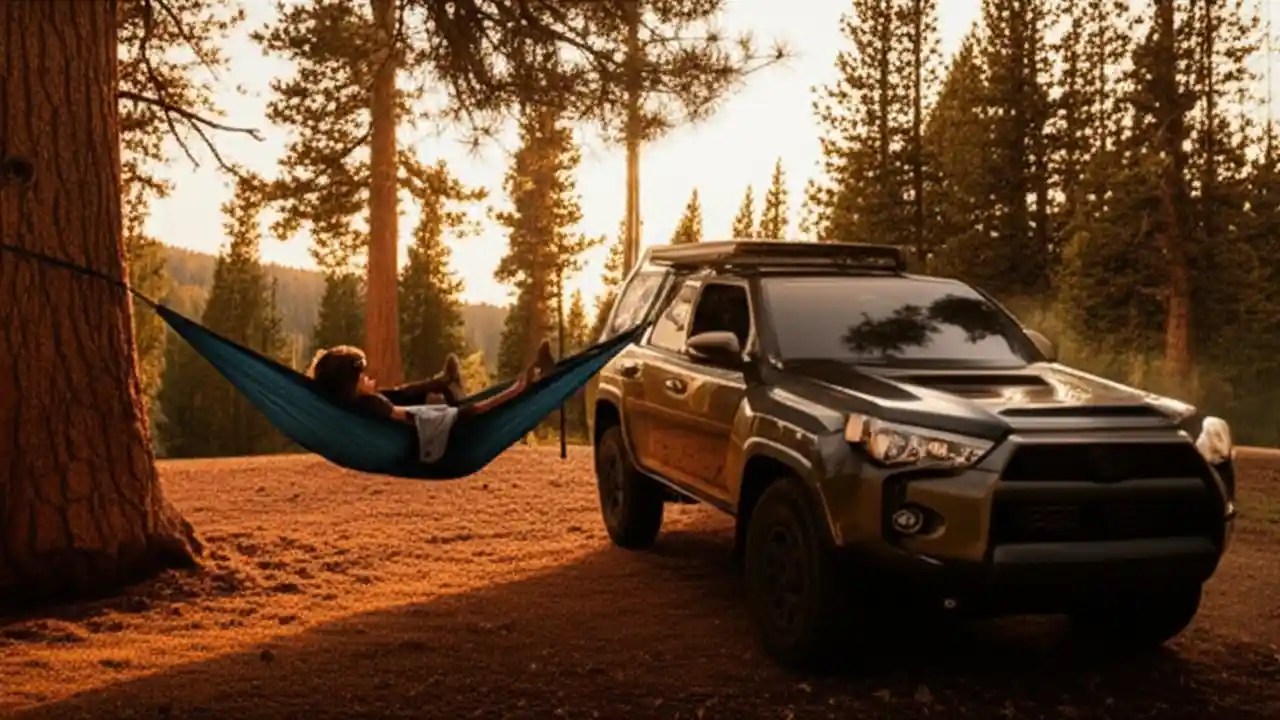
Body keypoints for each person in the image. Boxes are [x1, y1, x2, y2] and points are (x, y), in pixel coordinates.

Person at [305, 339, 557, 424]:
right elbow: (424, 418)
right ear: (352, 384)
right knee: (474, 408)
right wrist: (511, 392)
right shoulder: (375, 406)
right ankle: (528, 384)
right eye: (364, 377)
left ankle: (444, 382)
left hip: (424, 423)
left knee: (399, 393)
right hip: (445, 432)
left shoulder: (354, 405)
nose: (371, 379)